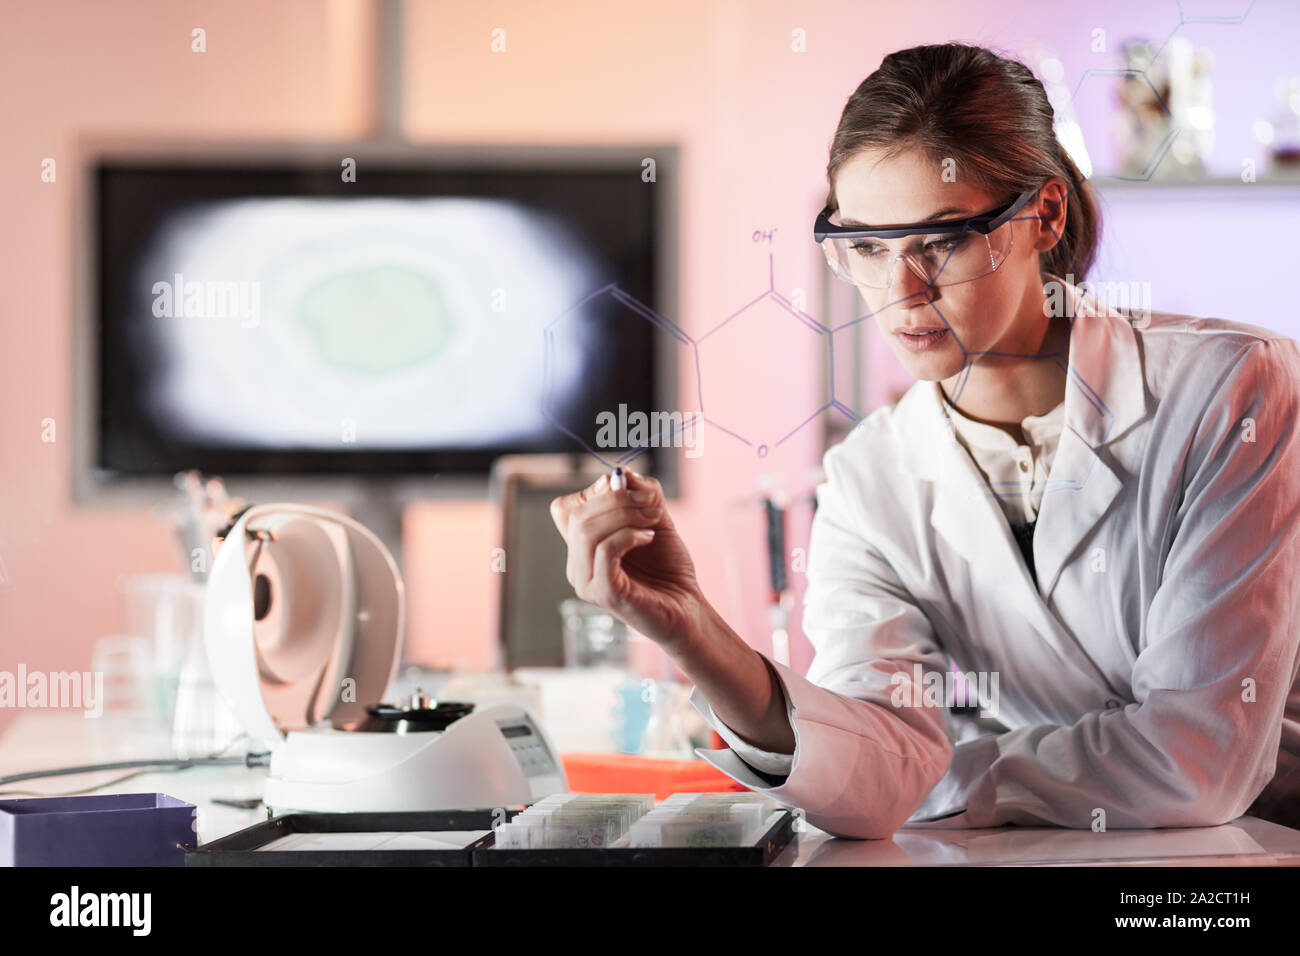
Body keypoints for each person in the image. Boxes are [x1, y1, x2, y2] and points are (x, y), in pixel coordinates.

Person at [549, 42, 1300, 838]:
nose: (900, 294)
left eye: (940, 242)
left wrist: (942, 774)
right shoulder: (870, 476)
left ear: (1043, 215)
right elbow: (870, 771)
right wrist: (691, 628)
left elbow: (1198, 760)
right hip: (1062, 851)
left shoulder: (1231, 390)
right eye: (867, 248)